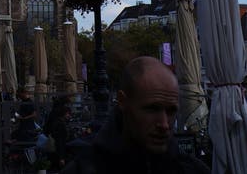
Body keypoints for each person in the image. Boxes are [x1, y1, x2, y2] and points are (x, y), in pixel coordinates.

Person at [64, 56, 211, 174]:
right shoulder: (84, 168)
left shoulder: (192, 168)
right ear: (122, 102)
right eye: (152, 109)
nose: (164, 124)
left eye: (171, 111)